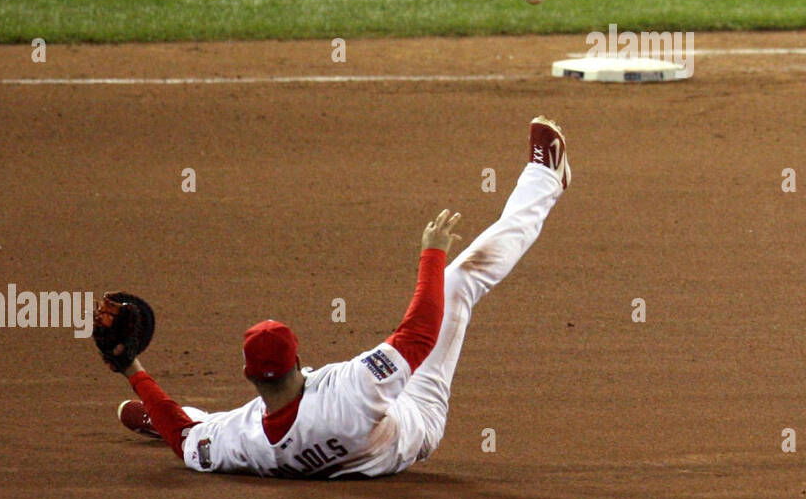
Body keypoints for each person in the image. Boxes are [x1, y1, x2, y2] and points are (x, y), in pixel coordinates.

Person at [109, 118, 571, 478]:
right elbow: (419, 335)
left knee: (205, 430)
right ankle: (545, 177)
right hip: (412, 422)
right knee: (456, 284)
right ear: (299, 362)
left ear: (248, 375)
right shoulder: (350, 393)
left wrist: (132, 369)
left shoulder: (243, 442)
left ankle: (149, 416)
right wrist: (432, 252)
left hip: (321, 442)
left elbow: (185, 436)